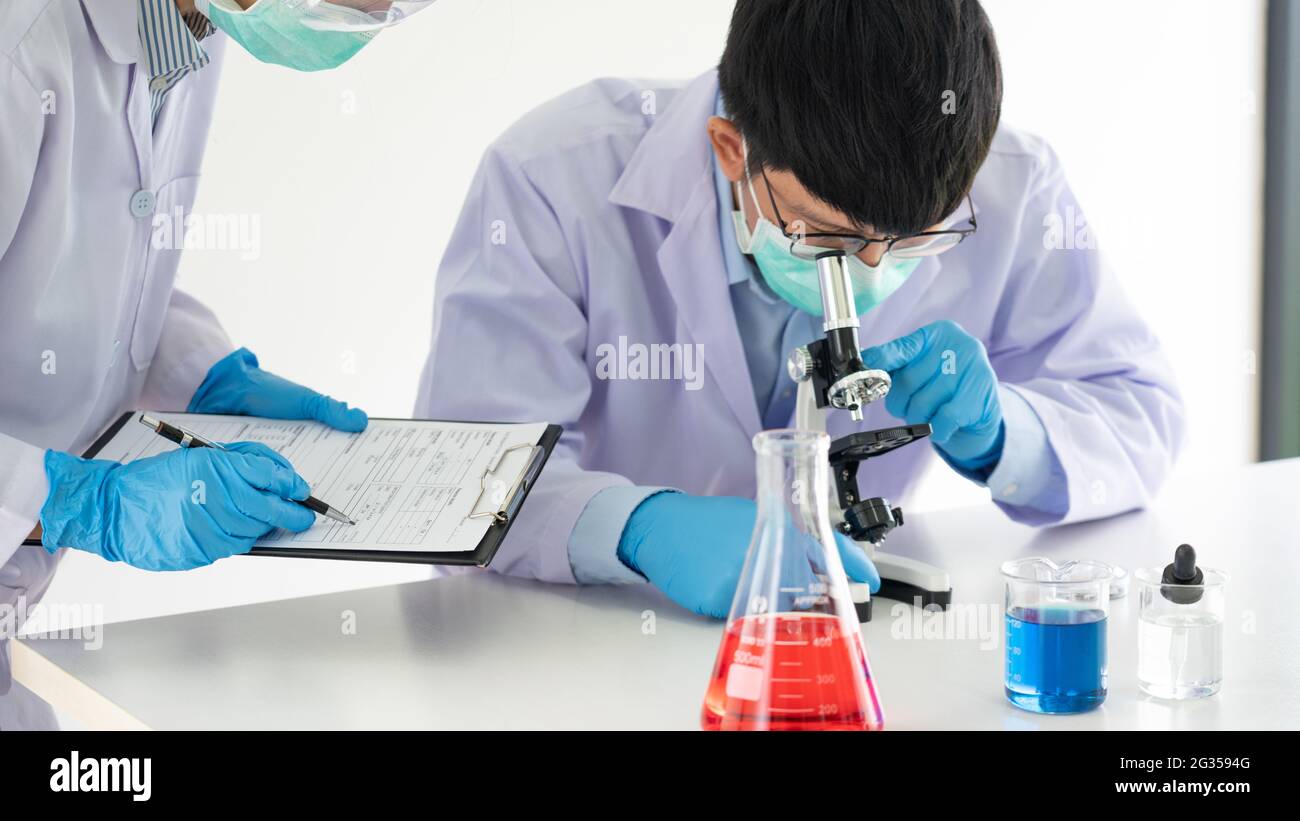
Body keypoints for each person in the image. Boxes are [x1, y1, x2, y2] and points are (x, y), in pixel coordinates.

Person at [414, 0, 1185, 619]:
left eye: (918, 238)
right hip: (568, 647)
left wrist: (1004, 433)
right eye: (825, 234)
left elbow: (1139, 415)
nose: (871, 272)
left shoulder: (1012, 184)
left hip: (846, 644)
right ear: (729, 149)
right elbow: (464, 480)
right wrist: (636, 526)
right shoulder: (552, 180)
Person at [0, 0, 436, 728]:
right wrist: (80, 502)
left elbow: (76, 264)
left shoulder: (191, 27)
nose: (362, 18)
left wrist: (199, 373)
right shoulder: (20, 38)